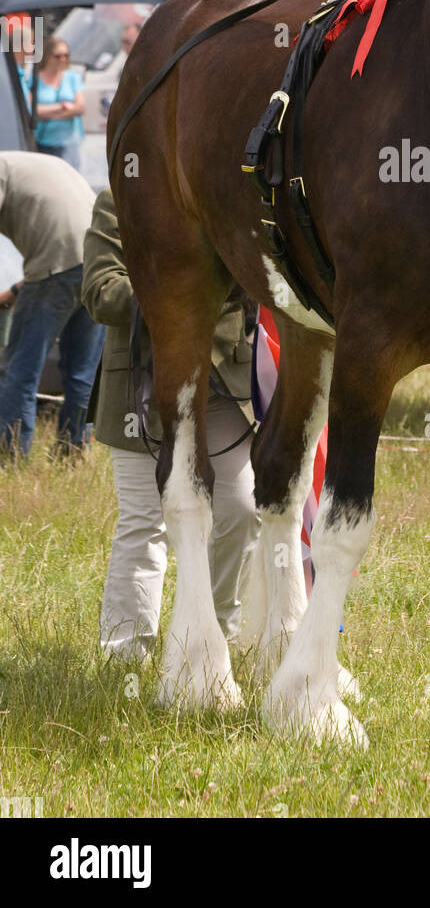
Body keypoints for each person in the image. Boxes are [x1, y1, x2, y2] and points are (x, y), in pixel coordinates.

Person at [81, 188, 260, 658]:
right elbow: (101, 292)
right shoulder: (118, 202)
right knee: (145, 523)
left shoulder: (227, 196)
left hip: (223, 385)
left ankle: (217, 636)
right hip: (141, 385)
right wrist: (184, 291)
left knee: (241, 509)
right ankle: (125, 650)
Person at [0, 151, 105, 457]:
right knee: (82, 372)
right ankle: (74, 452)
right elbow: (65, 243)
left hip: (58, 267)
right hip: (98, 262)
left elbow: (58, 261)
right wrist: (15, 292)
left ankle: (10, 455)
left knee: (21, 368)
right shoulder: (28, 163)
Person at [23, 34, 86, 169]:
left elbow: (80, 108)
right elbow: (32, 111)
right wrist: (62, 108)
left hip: (69, 143)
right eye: (57, 56)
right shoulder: (33, 79)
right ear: (46, 56)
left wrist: (47, 114)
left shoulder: (73, 77)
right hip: (43, 142)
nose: (62, 59)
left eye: (66, 55)